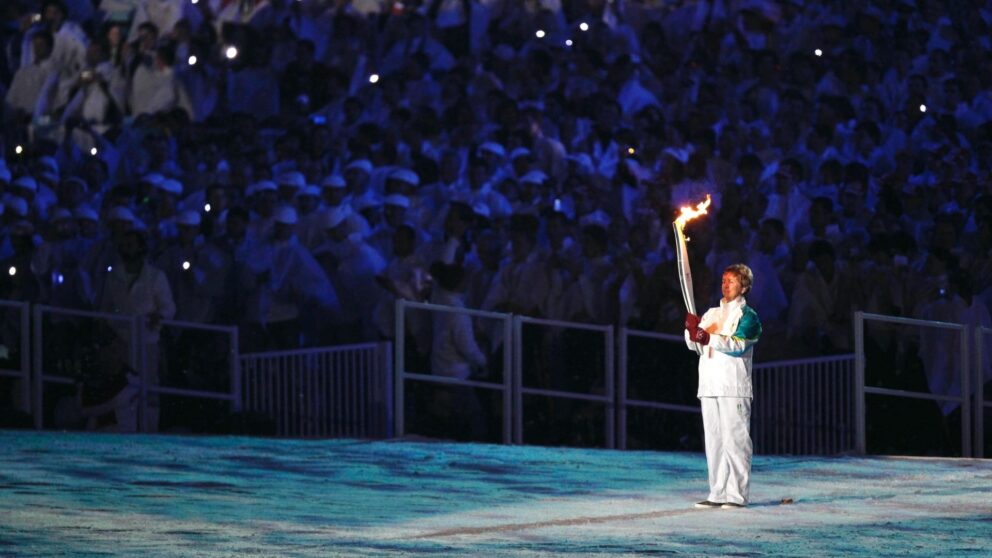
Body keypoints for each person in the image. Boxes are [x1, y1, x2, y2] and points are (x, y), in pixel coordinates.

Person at [684, 263, 762, 510]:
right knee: (715, 441)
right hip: (709, 385)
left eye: (732, 281)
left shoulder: (749, 317)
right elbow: (696, 348)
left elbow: (738, 344)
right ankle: (717, 492)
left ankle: (737, 495)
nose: (725, 284)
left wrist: (707, 337)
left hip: (733, 387)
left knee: (735, 440)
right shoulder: (710, 314)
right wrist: (691, 331)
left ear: (745, 286)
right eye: (724, 280)